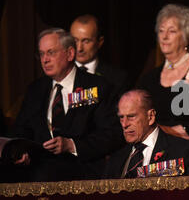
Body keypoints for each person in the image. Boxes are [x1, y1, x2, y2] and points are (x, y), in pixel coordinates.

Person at [10, 28, 124, 182]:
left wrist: (72, 145)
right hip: (38, 174)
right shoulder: (35, 90)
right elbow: (21, 130)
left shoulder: (97, 87)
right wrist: (22, 151)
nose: (45, 60)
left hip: (82, 172)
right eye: (41, 54)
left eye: (51, 52)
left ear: (70, 54)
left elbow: (113, 133)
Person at [139, 4, 189, 143]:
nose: (164, 37)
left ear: (186, 36)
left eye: (172, 31)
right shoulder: (149, 78)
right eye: (161, 31)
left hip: (188, 146)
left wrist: (173, 131)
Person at [105, 90, 189, 179]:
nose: (125, 124)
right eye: (121, 117)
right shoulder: (115, 159)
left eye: (131, 116)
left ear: (150, 116)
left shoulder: (182, 151)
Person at [70, 14, 131, 98]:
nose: (79, 48)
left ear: (100, 42)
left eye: (86, 41)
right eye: (75, 40)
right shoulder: (58, 72)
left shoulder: (117, 79)